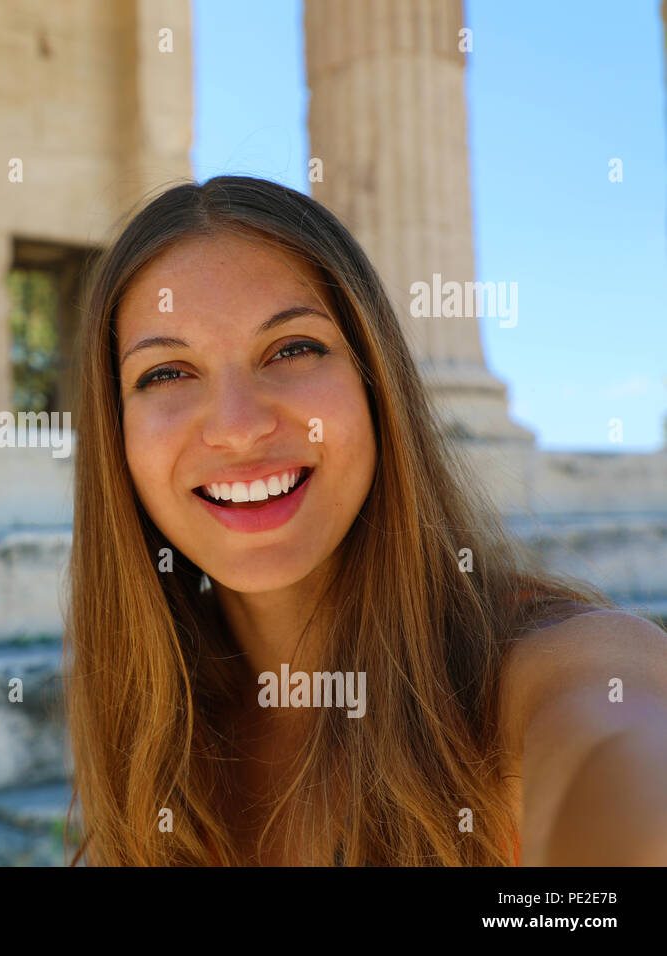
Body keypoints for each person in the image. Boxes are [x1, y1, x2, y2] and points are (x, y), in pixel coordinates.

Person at [62, 175, 667, 866]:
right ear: (116, 436)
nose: (237, 428)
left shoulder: (558, 671)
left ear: (375, 381)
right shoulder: (154, 728)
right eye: (166, 372)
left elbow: (626, 778)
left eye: (292, 349)